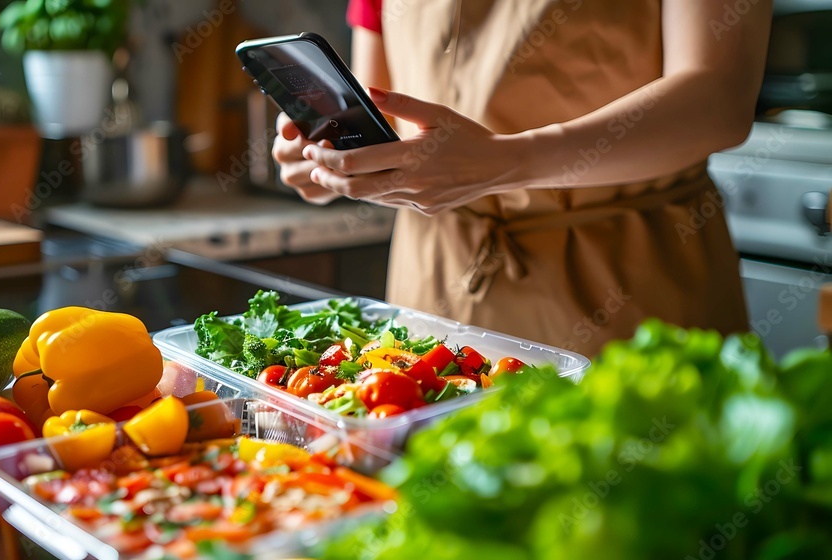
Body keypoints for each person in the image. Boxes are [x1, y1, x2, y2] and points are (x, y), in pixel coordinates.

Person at [272, 0, 771, 356]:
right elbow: (383, 109)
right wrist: (334, 162)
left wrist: (505, 163)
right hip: (432, 287)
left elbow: (719, 100)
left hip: (628, 291)